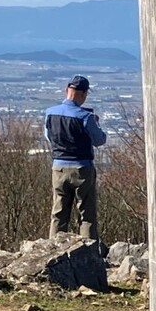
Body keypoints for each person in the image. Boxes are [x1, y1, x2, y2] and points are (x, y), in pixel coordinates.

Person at [44, 74, 106, 242]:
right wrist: (96, 123)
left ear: (67, 90)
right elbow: (100, 140)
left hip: (58, 167)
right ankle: (88, 252)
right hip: (82, 168)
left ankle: (53, 252)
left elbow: (49, 136)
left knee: (58, 213)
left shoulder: (50, 114)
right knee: (86, 214)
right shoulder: (85, 117)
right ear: (84, 94)